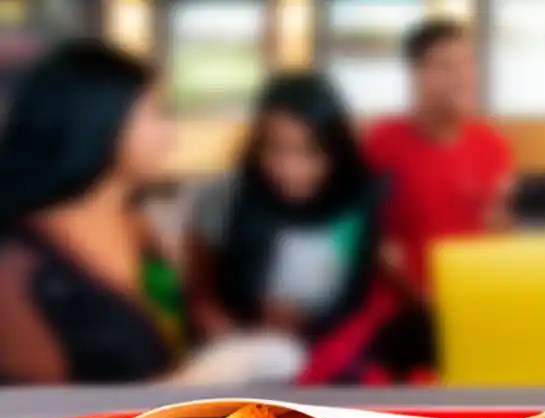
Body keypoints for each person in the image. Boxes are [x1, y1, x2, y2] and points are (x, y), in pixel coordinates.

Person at [0, 40, 178, 383]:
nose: (169, 135)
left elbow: (170, 346)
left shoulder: (143, 232)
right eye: (156, 114)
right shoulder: (18, 262)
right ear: (100, 118)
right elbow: (38, 413)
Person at [188, 73, 381, 351]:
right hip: (242, 352)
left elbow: (366, 300)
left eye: (310, 152)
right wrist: (232, 334)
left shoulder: (361, 201)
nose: (290, 169)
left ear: (335, 150)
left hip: (335, 358)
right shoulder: (224, 198)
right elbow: (199, 296)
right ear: (257, 146)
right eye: (275, 150)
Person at [364, 19, 514, 299]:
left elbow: (498, 236)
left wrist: (500, 218)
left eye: (468, 63)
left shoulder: (492, 144)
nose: (463, 76)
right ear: (415, 74)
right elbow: (371, 243)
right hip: (402, 305)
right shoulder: (381, 143)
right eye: (446, 66)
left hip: (473, 297)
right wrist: (421, 296)